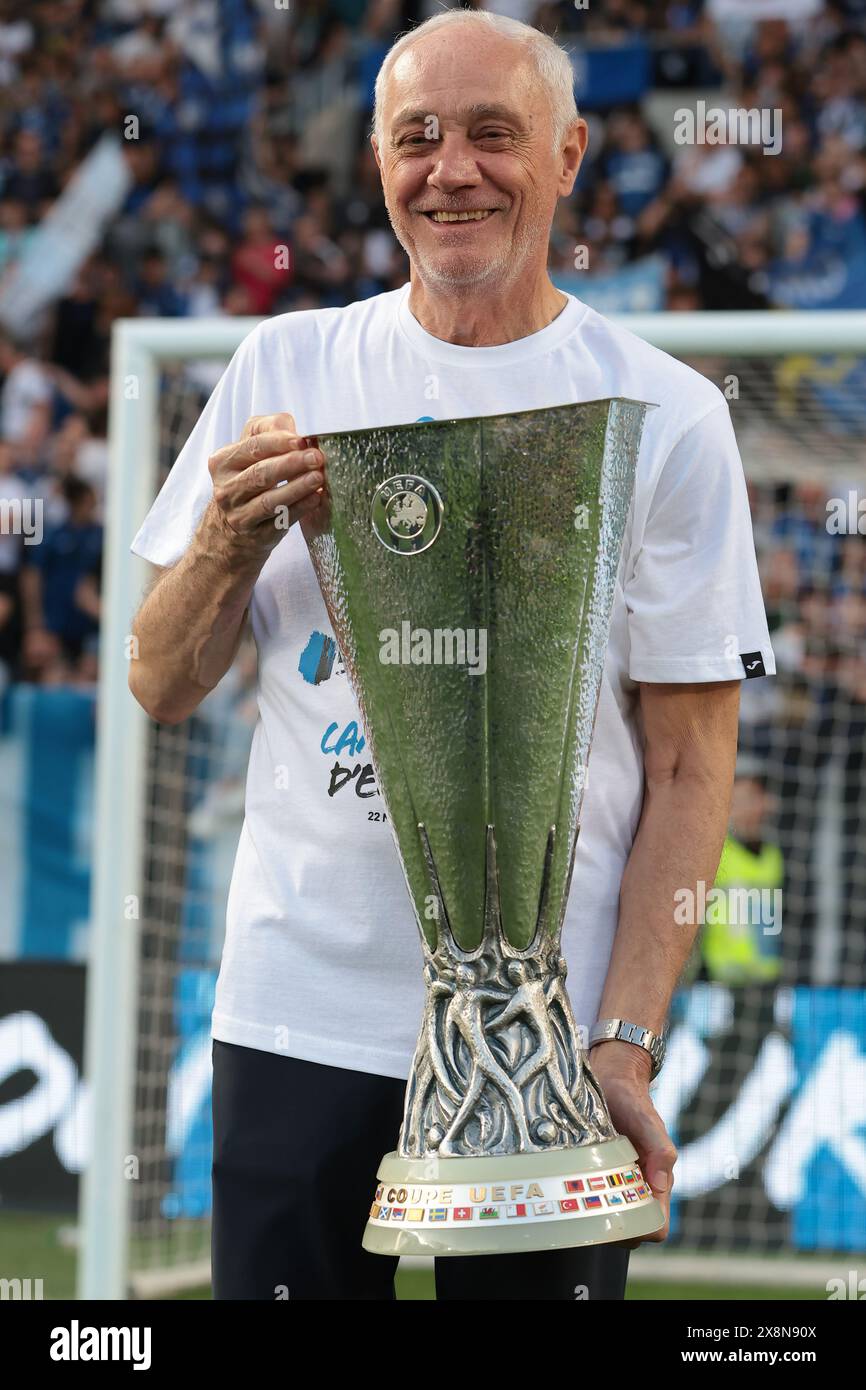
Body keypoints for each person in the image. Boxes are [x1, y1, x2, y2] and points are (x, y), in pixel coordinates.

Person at [128, 9, 775, 1301]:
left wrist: (625, 1039)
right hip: (296, 1007)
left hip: (545, 1036)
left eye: (492, 134)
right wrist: (224, 539)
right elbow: (159, 679)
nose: (451, 170)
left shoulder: (667, 412)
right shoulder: (283, 363)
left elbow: (693, 763)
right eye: (416, 138)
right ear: (376, 159)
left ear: (570, 154)